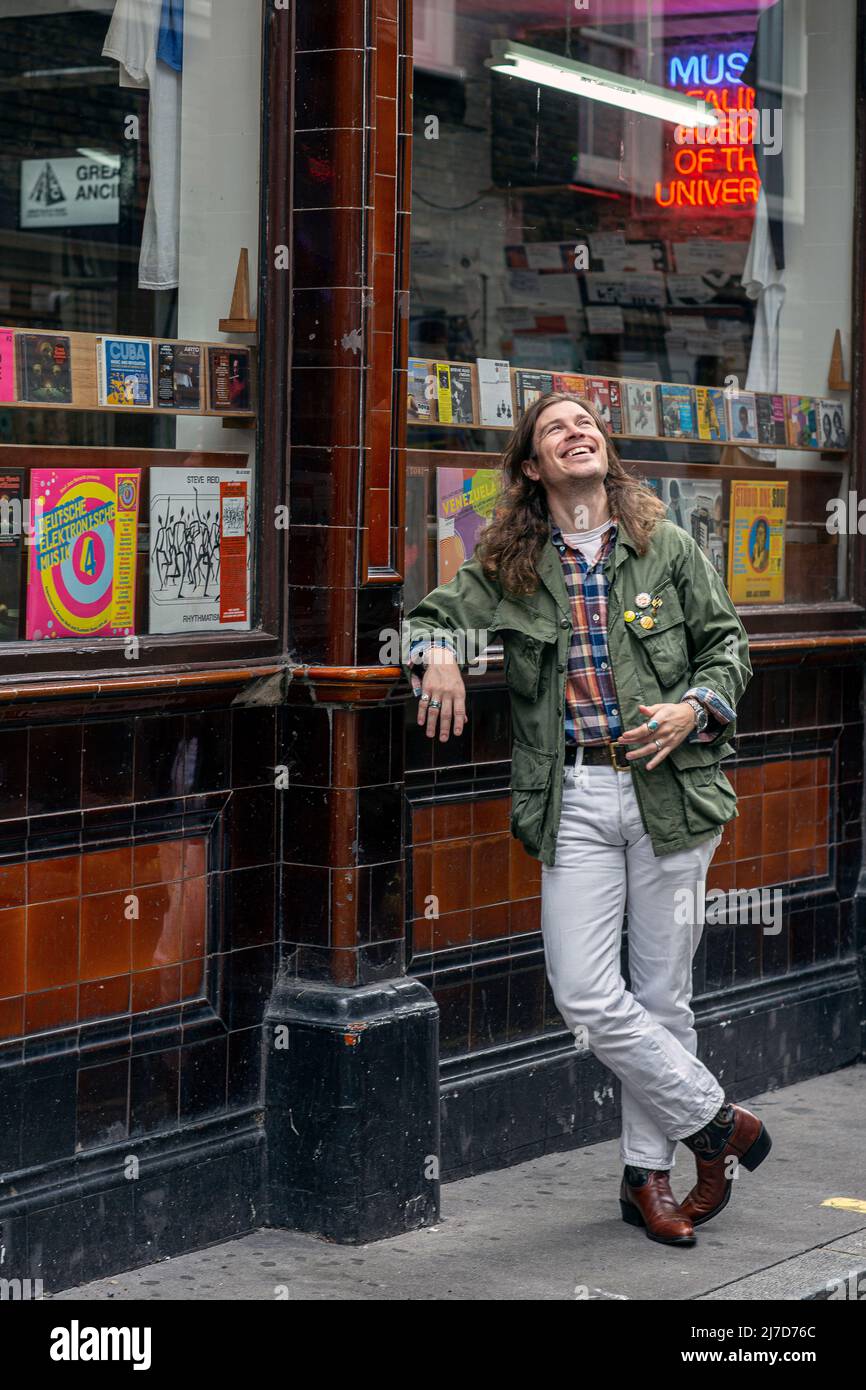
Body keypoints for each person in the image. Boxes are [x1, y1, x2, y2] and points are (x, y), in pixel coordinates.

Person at [404, 392, 771, 1247]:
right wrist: (437, 656)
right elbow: (428, 618)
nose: (578, 432)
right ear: (533, 467)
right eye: (554, 428)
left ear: (607, 452)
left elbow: (731, 647)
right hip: (572, 798)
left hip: (672, 791)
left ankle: (647, 1178)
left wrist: (694, 709)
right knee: (583, 991)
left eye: (588, 424)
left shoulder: (666, 545)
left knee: (661, 996)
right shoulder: (511, 564)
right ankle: (720, 1126)